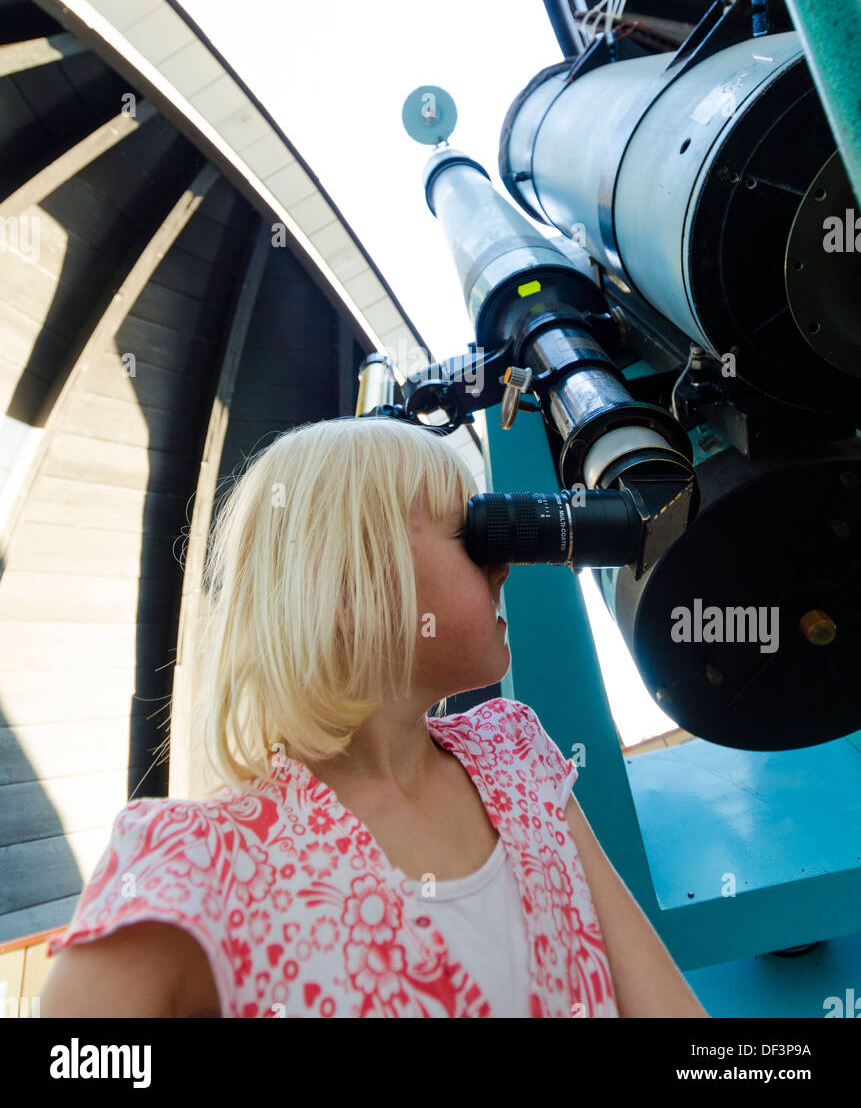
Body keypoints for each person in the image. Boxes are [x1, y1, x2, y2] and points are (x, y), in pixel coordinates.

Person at [41, 415, 708, 1018]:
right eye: (471, 533)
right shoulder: (195, 862)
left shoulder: (516, 758)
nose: (503, 564)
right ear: (348, 587)